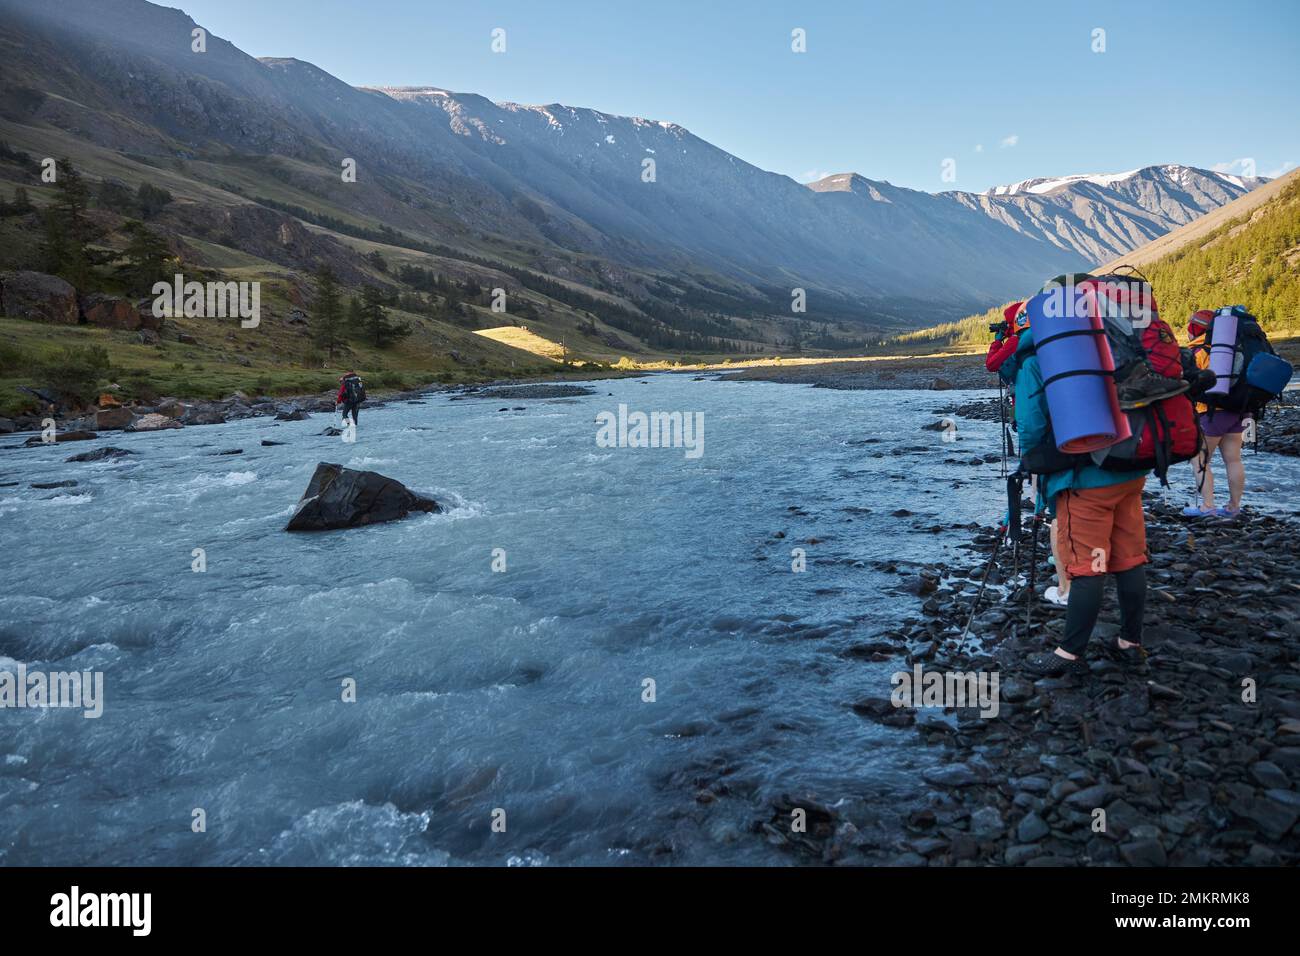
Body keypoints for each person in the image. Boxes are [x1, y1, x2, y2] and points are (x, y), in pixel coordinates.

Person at [1013, 322, 1150, 677]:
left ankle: (1069, 653)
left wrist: (1035, 467)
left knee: (1088, 566)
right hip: (1129, 469)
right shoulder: (1115, 343)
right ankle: (1130, 643)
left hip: (1083, 479)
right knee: (1129, 558)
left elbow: (1029, 425)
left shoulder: (1038, 360)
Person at [1184, 310, 1245, 517]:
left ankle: (1207, 506)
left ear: (1195, 328)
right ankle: (1234, 506)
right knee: (1234, 460)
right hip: (1236, 411)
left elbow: (1189, 385)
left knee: (1200, 460)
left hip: (1210, 414)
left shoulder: (1197, 352)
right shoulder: (1232, 349)